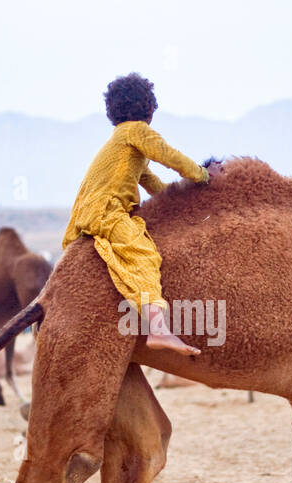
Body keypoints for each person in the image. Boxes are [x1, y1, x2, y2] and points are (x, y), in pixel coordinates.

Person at [62, 72, 223, 357]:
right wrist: (202, 176)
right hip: (106, 212)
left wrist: (182, 195)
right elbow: (170, 156)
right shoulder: (135, 132)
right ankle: (158, 330)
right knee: (143, 255)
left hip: (91, 211)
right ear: (149, 108)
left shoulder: (124, 143)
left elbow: (154, 185)